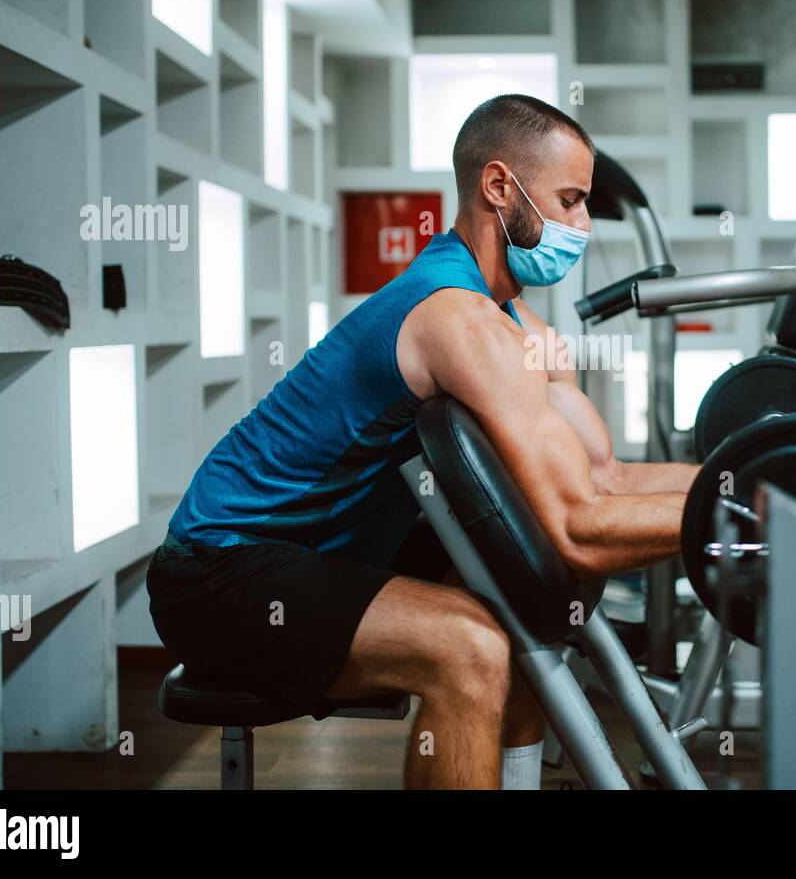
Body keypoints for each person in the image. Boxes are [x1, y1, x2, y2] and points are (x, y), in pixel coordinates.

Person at [147, 94, 699, 789]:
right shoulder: (454, 318)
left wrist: (743, 482)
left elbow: (605, 475)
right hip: (214, 570)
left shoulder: (506, 318)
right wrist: (733, 517)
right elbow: (579, 528)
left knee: (529, 602)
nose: (583, 226)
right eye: (571, 200)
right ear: (500, 186)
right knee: (465, 646)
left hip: (318, 552)